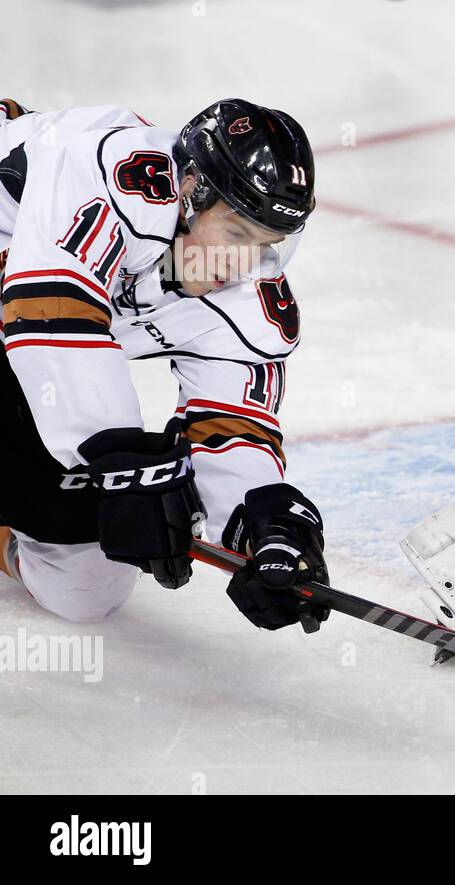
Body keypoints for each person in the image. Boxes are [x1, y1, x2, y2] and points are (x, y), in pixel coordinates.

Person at [0, 98, 329, 632]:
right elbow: (50, 317)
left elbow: (232, 426)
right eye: (237, 232)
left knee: (85, 590)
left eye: (267, 243)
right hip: (25, 326)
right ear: (189, 187)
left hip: (20, 347)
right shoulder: (108, 171)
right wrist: (123, 463)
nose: (243, 263)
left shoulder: (249, 298)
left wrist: (262, 523)